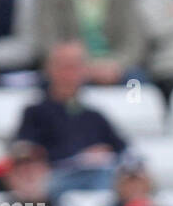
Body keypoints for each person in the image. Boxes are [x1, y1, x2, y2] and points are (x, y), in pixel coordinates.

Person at [14, 40, 127, 197]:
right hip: (55, 180)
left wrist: (102, 154)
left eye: (76, 67)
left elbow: (123, 151)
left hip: (97, 178)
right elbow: (26, 153)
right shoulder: (35, 112)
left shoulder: (94, 115)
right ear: (50, 69)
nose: (70, 74)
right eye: (64, 66)